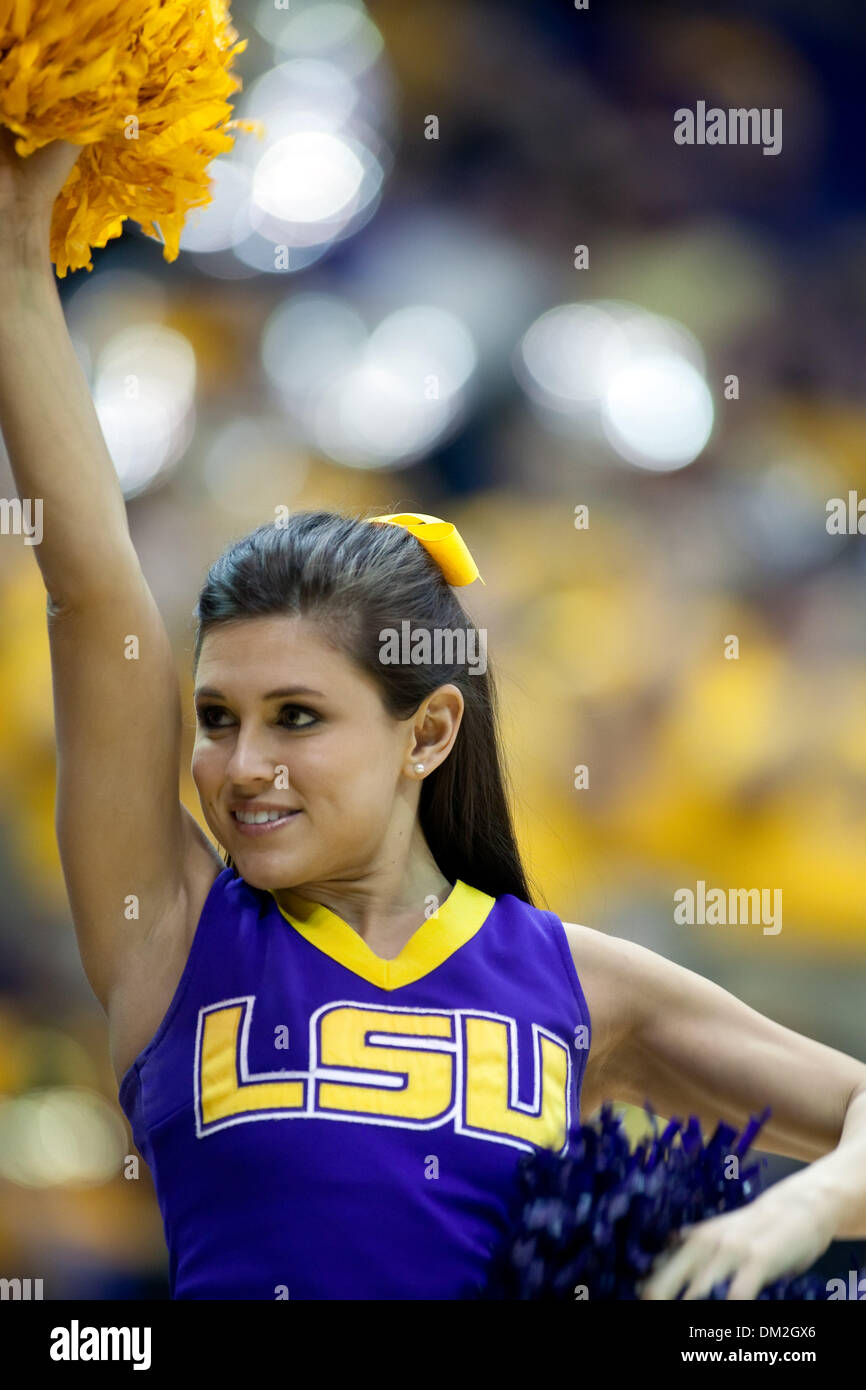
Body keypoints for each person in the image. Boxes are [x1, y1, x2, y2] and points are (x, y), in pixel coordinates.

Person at [2, 131, 866, 1302]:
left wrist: (802, 1204)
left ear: (428, 732)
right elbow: (92, 581)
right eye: (215, 716)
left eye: (296, 717)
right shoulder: (169, 935)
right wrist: (14, 246)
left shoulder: (574, 982)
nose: (239, 764)